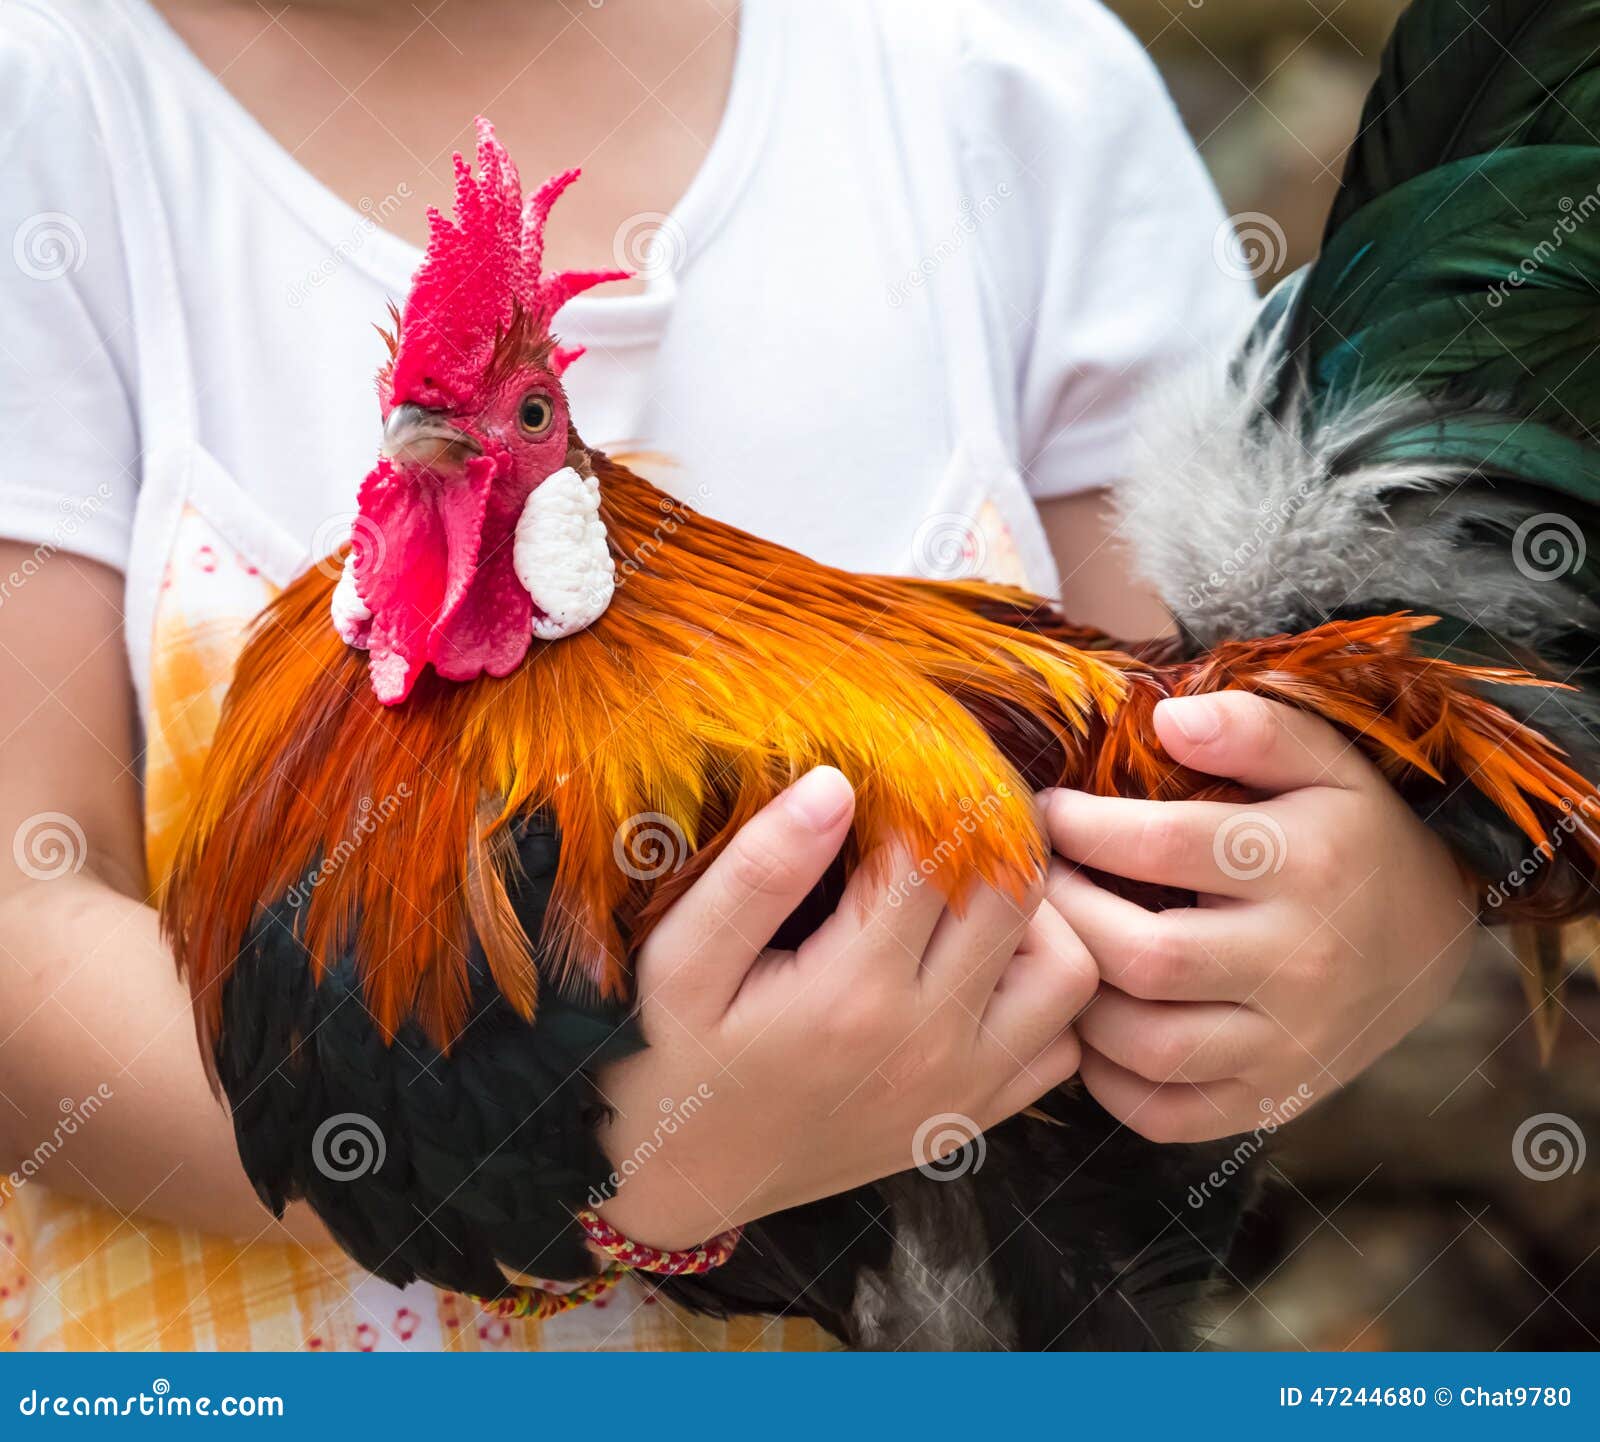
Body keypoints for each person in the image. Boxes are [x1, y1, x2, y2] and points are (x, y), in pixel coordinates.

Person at [0, 0, 1474, 1350]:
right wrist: (585, 1156)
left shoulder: (1010, 80)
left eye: (513, 425)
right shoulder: (47, 109)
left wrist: (1394, 896)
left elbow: (1209, 725)